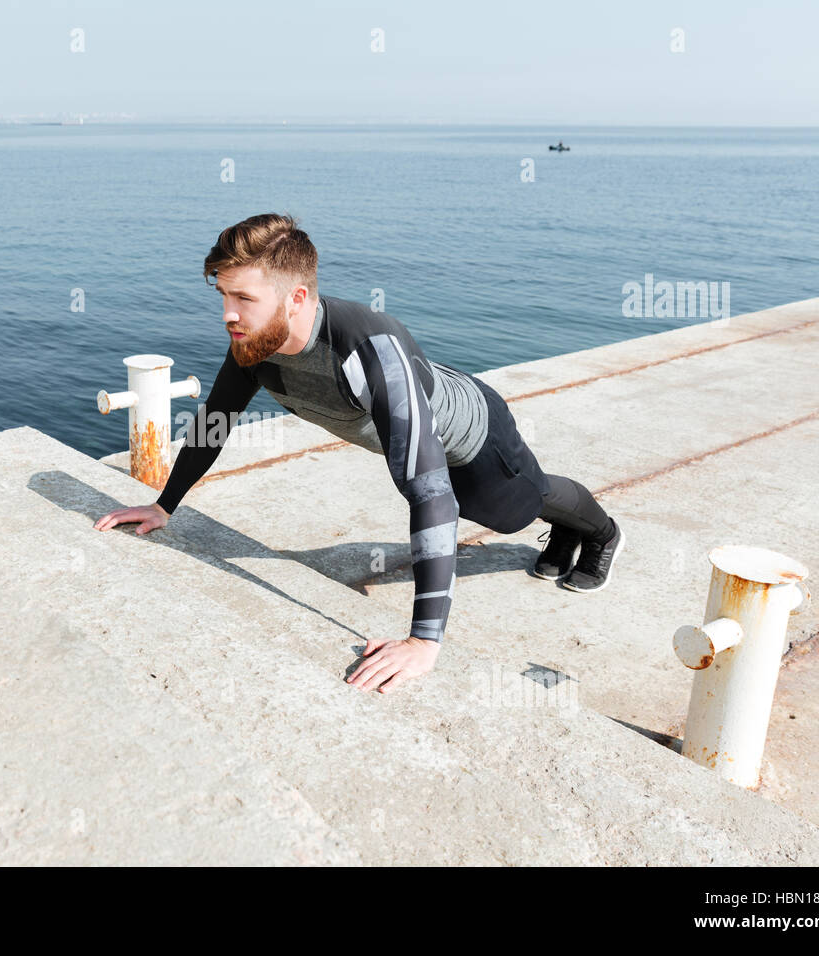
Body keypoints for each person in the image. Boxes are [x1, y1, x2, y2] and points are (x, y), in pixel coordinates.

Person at [93, 213, 623, 693]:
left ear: (297, 298)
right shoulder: (252, 344)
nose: (229, 315)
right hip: (425, 436)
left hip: (477, 437)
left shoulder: (370, 349)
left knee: (514, 510)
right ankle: (565, 532)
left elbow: (428, 490)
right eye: (224, 296)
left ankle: (600, 532)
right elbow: (216, 421)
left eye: (245, 299)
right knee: (506, 511)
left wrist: (423, 642)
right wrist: (165, 505)